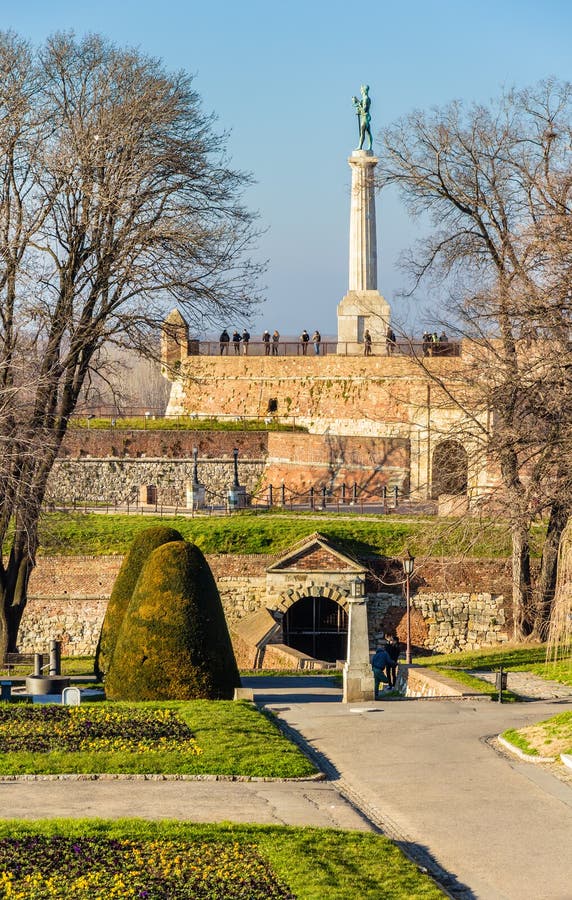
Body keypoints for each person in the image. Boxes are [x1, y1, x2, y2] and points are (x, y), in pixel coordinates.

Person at [352, 85, 373, 152]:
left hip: (365, 118)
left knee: (363, 132)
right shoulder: (365, 98)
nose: (360, 91)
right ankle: (369, 147)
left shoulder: (366, 99)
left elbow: (364, 109)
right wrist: (357, 103)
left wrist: (358, 104)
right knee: (368, 132)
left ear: (363, 90)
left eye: (361, 90)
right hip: (364, 117)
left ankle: (360, 146)